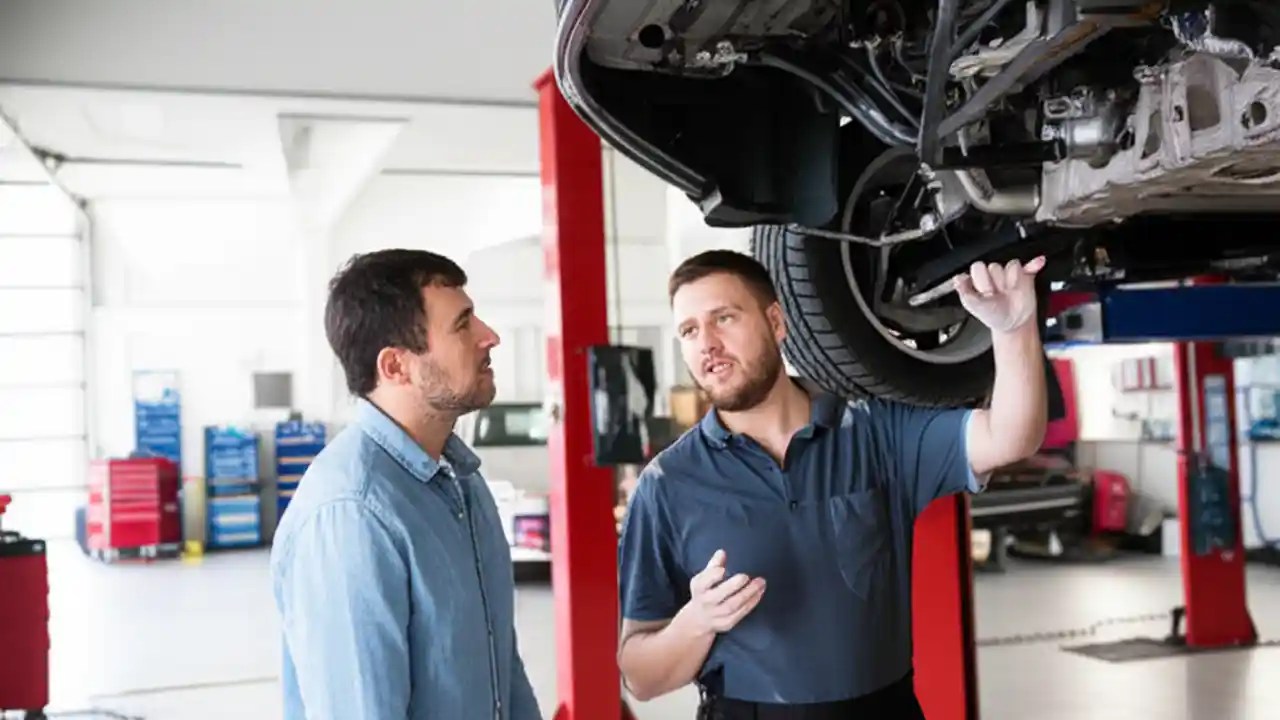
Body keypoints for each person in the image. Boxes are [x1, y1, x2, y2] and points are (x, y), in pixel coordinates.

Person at [617, 250, 1048, 719]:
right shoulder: (667, 485)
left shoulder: (875, 434)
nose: (708, 343)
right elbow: (641, 677)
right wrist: (696, 623)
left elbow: (1009, 437)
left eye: (724, 318)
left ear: (776, 322)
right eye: (689, 330)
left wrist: (1013, 330)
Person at [270, 249, 541, 720]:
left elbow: (501, 669)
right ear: (396, 367)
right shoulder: (352, 515)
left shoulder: (461, 481)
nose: (490, 337)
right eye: (463, 324)